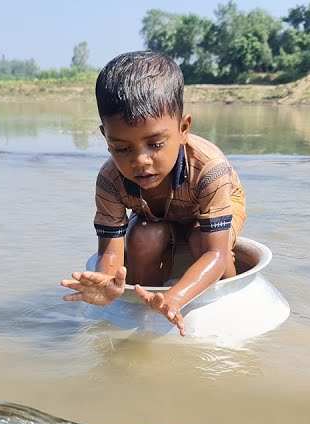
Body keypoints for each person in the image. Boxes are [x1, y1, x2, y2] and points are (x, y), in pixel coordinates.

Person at [60, 50, 248, 337]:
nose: (140, 161)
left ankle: (227, 312)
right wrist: (108, 284)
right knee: (144, 237)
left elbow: (215, 254)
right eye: (122, 148)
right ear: (106, 138)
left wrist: (175, 298)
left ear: (183, 129)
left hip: (208, 212)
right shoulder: (110, 179)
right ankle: (147, 314)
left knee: (201, 241)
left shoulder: (210, 169)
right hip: (156, 216)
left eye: (156, 144)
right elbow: (110, 253)